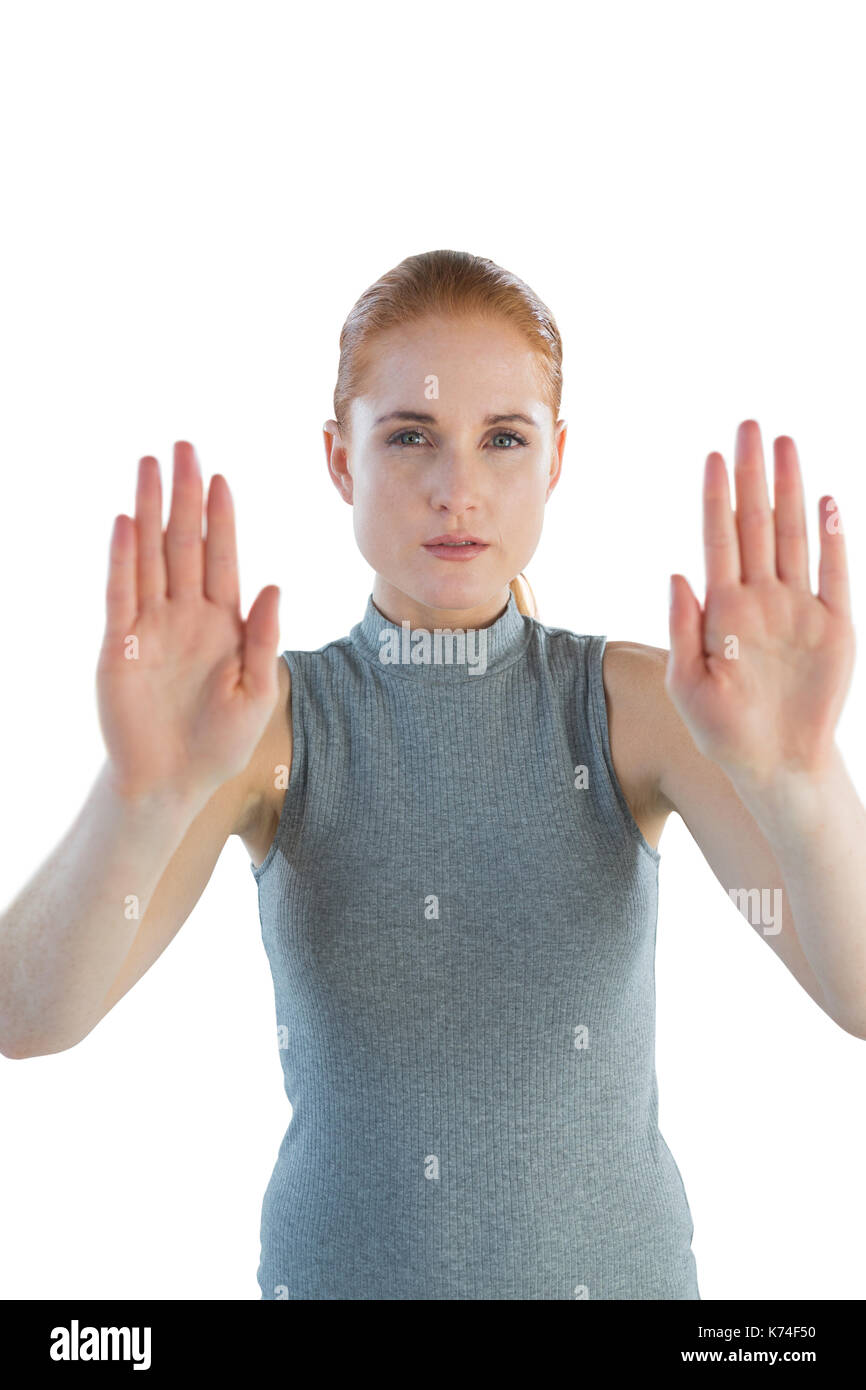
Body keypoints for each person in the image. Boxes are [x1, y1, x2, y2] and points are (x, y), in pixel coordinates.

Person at [1, 249, 863, 1301]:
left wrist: (801, 776)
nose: (458, 488)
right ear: (337, 460)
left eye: (504, 438)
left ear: (554, 462)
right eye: (409, 435)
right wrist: (142, 795)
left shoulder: (639, 706)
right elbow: (28, 1017)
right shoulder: (266, 726)